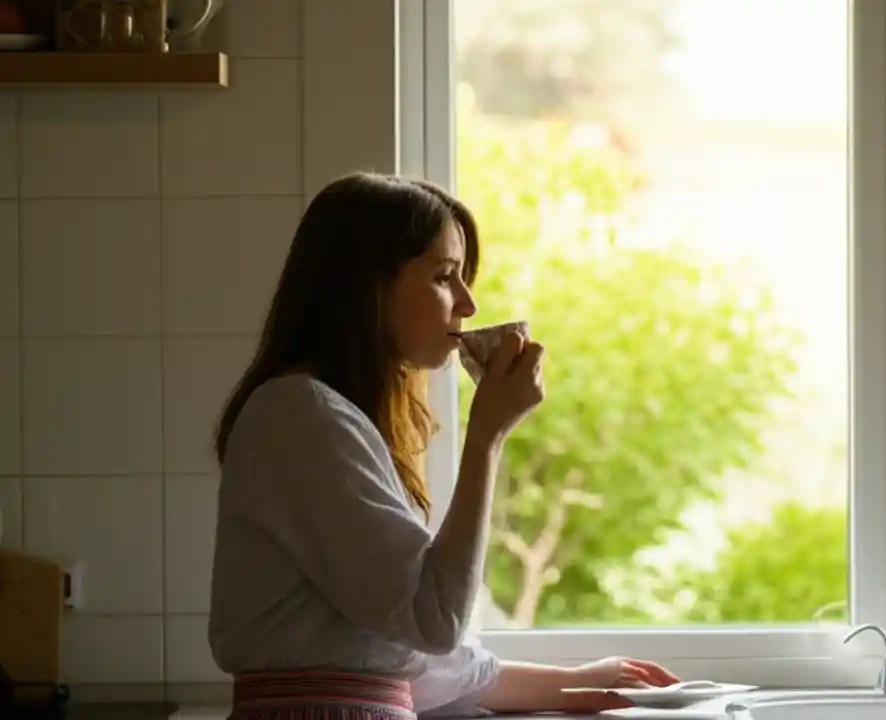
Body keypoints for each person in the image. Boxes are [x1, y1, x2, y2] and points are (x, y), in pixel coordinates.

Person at [208, 172, 679, 719]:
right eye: (444, 277)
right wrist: (487, 437)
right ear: (369, 286)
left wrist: (574, 686)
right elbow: (434, 620)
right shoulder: (301, 415)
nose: (468, 305)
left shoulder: (323, 417)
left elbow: (413, 665)